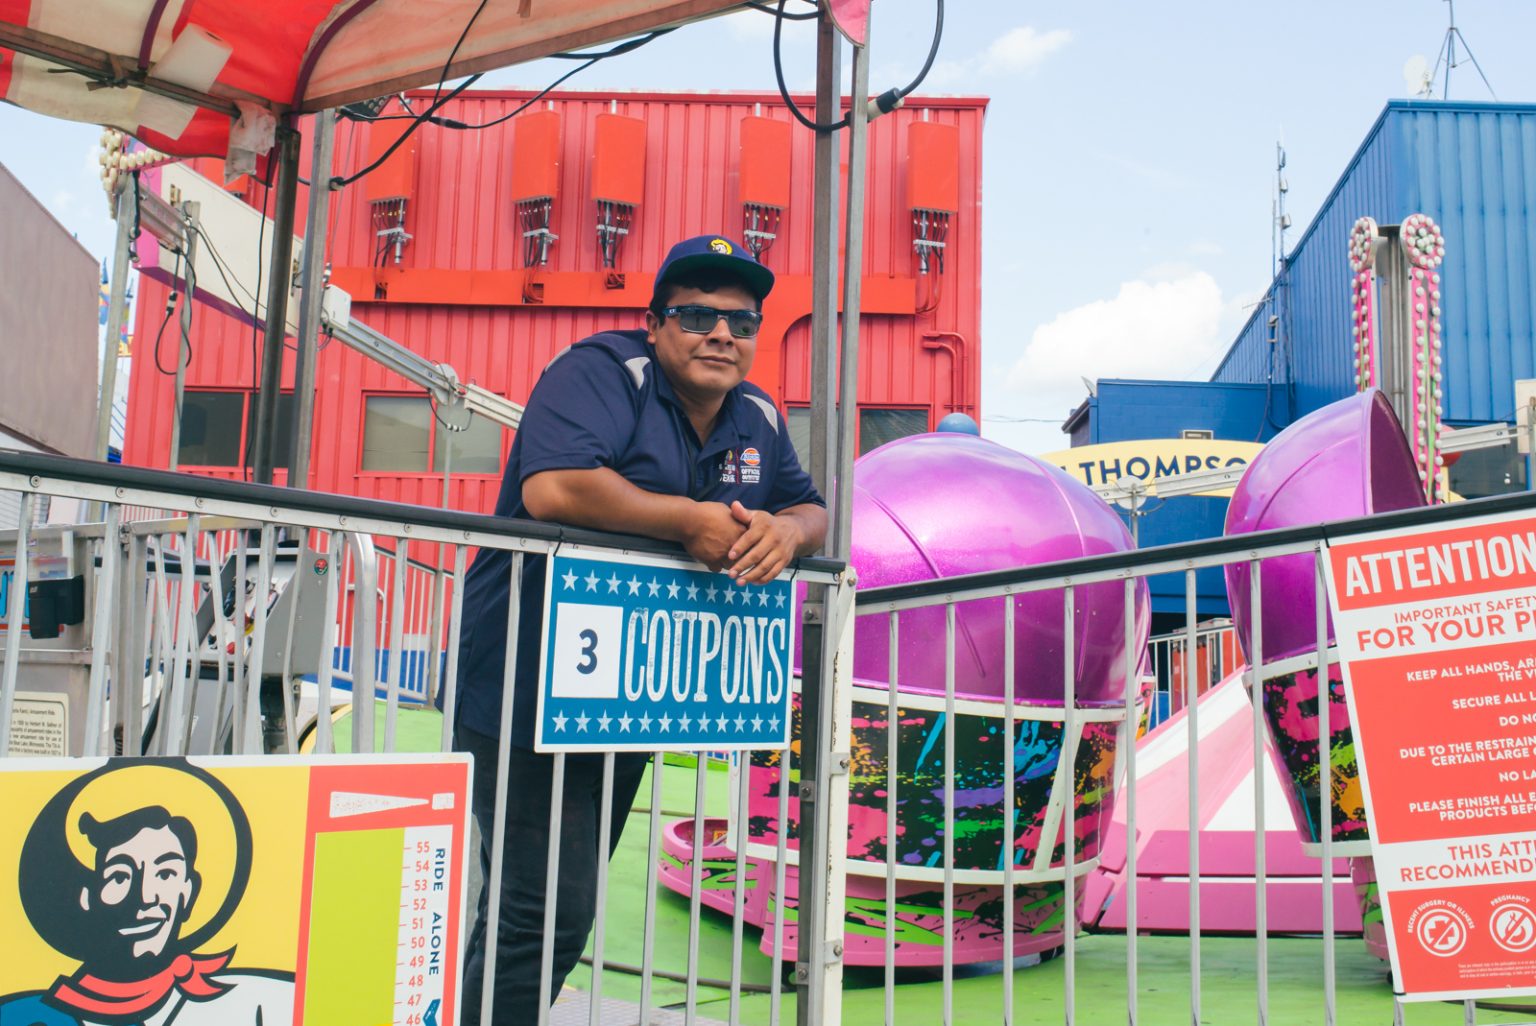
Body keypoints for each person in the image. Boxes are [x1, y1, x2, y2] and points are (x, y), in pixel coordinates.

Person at [452, 234, 828, 1022]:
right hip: (524, 680)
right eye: (696, 317)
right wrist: (689, 521)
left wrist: (787, 534)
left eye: (741, 323)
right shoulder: (600, 372)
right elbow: (555, 488)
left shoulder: (757, 415)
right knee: (541, 910)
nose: (720, 334)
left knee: (554, 907)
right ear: (654, 325)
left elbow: (809, 506)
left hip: (621, 695)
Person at [0, 804, 294, 1026]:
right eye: (120, 876)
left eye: (165, 874)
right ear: (88, 896)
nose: (146, 897)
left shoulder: (259, 1002)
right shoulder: (32, 1015)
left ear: (188, 893)